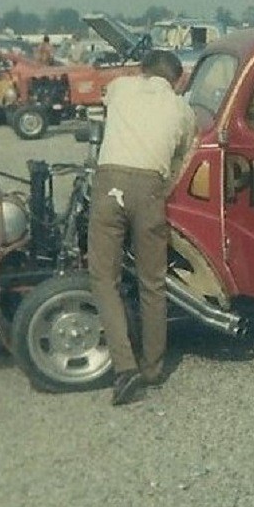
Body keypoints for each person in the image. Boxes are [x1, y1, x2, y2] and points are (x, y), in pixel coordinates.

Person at [88, 50, 196, 406]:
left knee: (105, 278)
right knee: (153, 281)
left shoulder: (121, 87)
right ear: (178, 80)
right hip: (151, 188)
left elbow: (105, 105)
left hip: (110, 183)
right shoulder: (182, 110)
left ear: (142, 71)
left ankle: (124, 367)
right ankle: (152, 368)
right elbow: (182, 158)